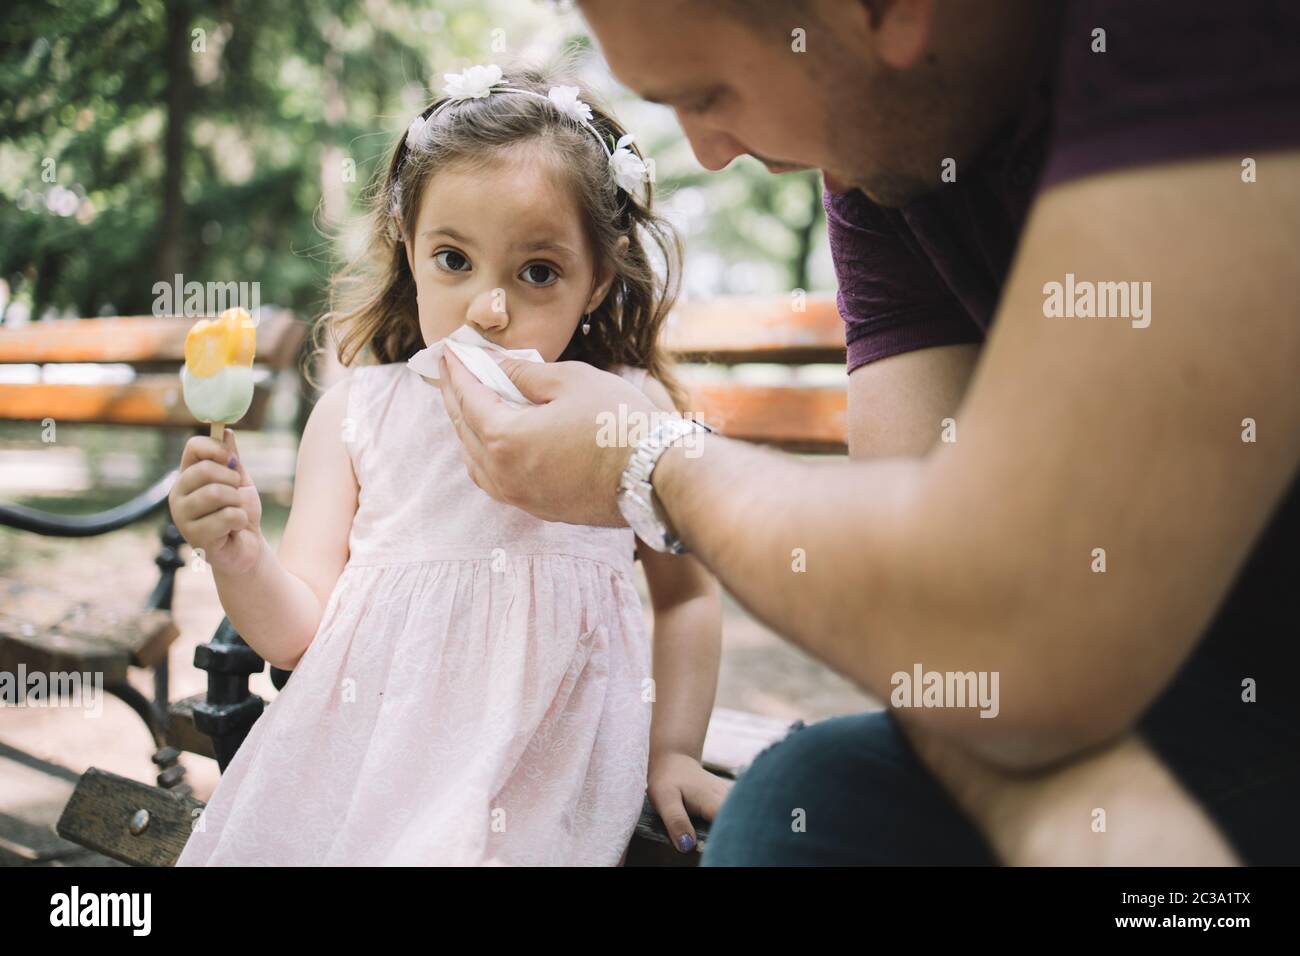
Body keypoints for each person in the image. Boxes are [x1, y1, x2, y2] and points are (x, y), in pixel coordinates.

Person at [436, 2, 1300, 864]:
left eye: (708, 94)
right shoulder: (887, 159)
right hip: (1145, 710)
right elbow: (954, 623)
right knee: (805, 802)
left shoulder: (1194, 31)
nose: (706, 149)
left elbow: (1016, 611)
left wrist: (647, 460)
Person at [168, 65, 727, 865]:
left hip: (542, 774)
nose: (487, 309)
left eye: (538, 272)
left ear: (598, 281)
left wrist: (674, 750)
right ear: (409, 248)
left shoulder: (624, 413)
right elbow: (296, 638)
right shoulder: (357, 414)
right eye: (454, 259)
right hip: (362, 767)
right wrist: (237, 555)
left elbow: (686, 601)